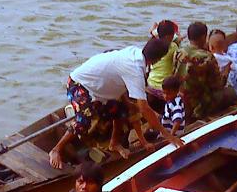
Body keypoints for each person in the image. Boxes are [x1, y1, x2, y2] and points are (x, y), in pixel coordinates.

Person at [49, 38, 179, 168]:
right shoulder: (135, 68)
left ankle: (114, 143)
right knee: (84, 119)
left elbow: (119, 80)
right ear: (157, 60)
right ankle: (56, 149)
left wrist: (127, 102)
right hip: (78, 84)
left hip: (97, 88)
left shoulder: (135, 53)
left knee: (121, 110)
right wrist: (168, 136)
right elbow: (144, 109)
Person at [174, 21, 226, 119]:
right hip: (199, 104)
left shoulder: (179, 52)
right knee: (229, 93)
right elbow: (217, 85)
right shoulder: (207, 57)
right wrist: (226, 73)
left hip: (181, 98)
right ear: (203, 37)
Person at [146, 20, 181, 98]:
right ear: (170, 36)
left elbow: (155, 34)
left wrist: (152, 31)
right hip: (163, 88)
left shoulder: (152, 43)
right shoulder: (173, 47)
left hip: (150, 84)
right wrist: (179, 39)